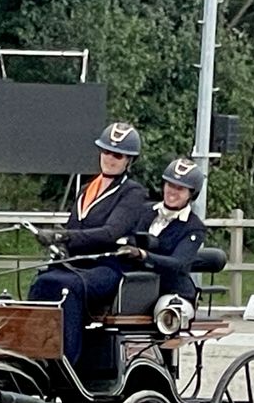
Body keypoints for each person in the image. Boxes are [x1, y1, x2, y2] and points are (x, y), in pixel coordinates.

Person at [27, 121, 147, 364]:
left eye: (117, 155)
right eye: (105, 151)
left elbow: (111, 232)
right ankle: (33, 350)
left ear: (128, 161)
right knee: (42, 281)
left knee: (66, 287)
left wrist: (64, 236)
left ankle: (66, 358)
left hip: (109, 267)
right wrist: (60, 244)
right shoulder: (86, 189)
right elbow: (74, 229)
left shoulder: (133, 193)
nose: (109, 158)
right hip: (77, 264)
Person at [116, 157, 209, 325]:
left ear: (191, 194)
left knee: (166, 316)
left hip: (172, 292)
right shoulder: (145, 211)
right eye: (170, 185)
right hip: (137, 288)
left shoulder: (194, 227)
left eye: (180, 188)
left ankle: (165, 351)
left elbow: (178, 263)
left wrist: (144, 255)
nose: (172, 191)